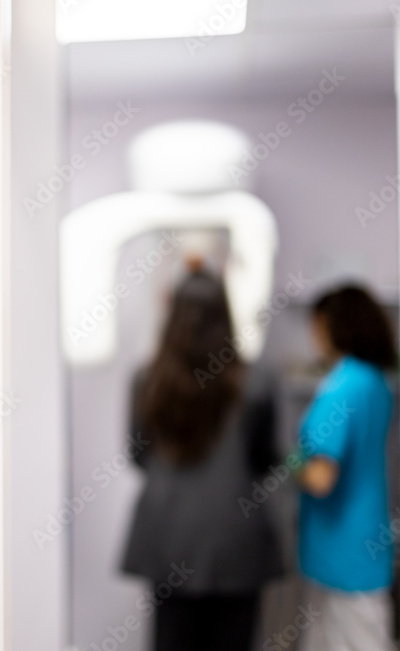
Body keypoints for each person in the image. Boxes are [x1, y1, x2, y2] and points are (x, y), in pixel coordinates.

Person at [122, 269, 283, 651]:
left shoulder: (147, 380)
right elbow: (266, 460)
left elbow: (138, 455)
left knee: (172, 640)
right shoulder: (256, 380)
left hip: (169, 535)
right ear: (225, 314)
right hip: (235, 537)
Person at [296, 285, 398, 651]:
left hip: (342, 551)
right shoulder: (374, 381)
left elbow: (321, 477)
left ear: (328, 326)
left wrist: (289, 460)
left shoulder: (342, 386)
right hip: (363, 541)